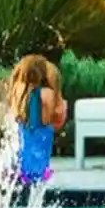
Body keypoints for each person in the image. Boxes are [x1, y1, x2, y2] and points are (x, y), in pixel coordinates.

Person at [7, 55, 66, 184]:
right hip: (40, 153)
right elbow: (58, 115)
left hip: (21, 148)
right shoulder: (47, 94)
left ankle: (17, 174)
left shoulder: (18, 92)